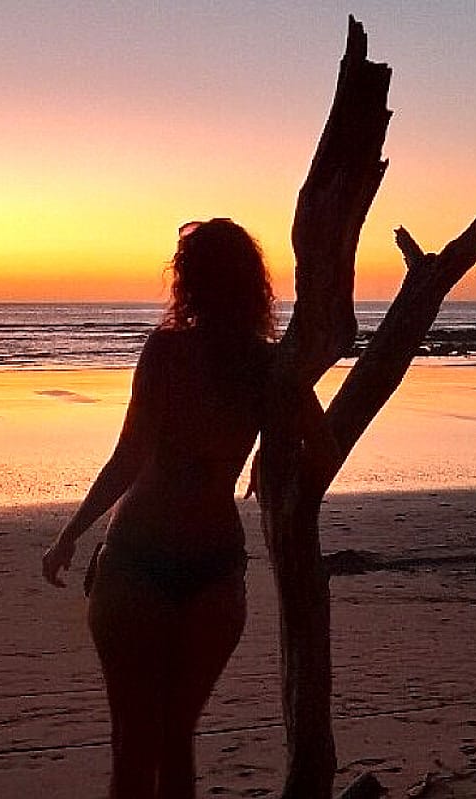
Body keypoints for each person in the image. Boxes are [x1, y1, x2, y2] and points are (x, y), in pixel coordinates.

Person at [41, 218, 280, 798]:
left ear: (188, 279)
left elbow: (128, 456)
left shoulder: (174, 351)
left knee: (136, 743)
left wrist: (70, 534)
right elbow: (315, 441)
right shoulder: (264, 363)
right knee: (173, 740)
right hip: (197, 564)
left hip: (146, 558)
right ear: (254, 283)